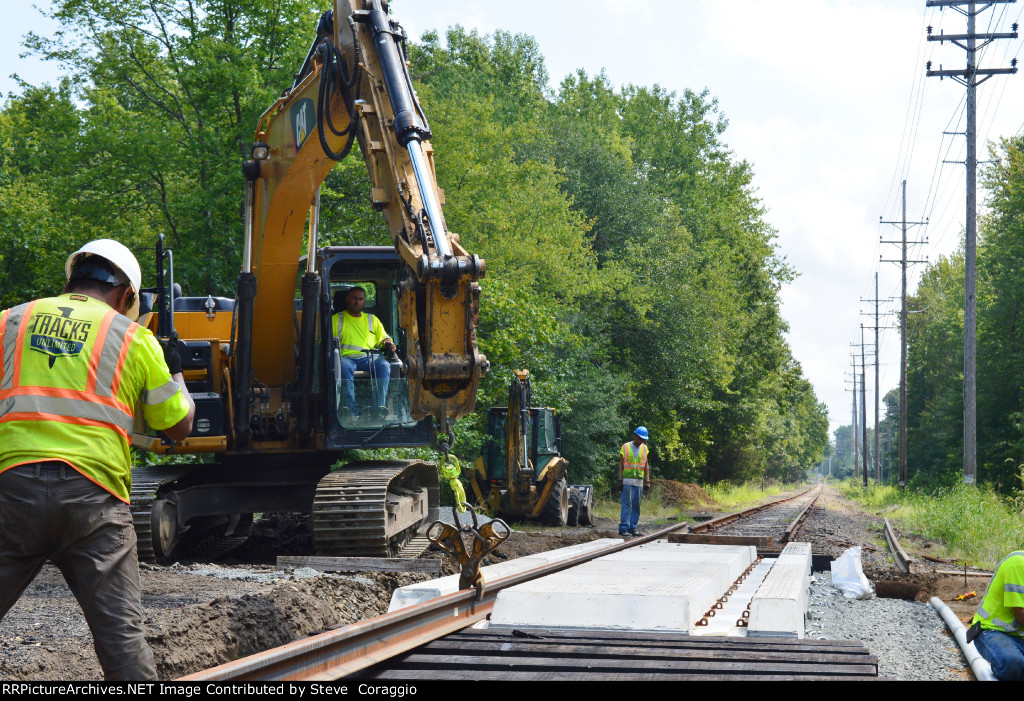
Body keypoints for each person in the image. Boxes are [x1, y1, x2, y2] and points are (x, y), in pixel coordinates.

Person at [0, 239, 195, 680]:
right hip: (95, 499)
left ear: (71, 280)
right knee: (121, 638)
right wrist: (175, 368)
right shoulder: (134, 338)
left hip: (11, 493)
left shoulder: (11, 321)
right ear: (127, 295)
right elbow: (179, 427)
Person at [331, 286, 397, 414]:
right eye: (354, 298)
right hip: (347, 358)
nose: (357, 302)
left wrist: (388, 343)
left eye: (361, 299)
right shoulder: (336, 319)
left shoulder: (372, 319)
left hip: (370, 358)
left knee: (384, 365)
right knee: (343, 366)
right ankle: (351, 409)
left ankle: (379, 407)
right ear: (347, 299)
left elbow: (384, 338)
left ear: (364, 301)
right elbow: (326, 343)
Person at [971, 550, 1024, 680]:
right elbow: (1020, 612)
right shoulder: (1017, 563)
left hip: (1020, 635)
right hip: (993, 632)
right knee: (1012, 663)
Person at [618, 426, 650, 537]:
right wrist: (620, 478)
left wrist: (647, 480)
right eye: (640, 439)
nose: (642, 441)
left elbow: (646, 465)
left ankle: (632, 528)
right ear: (635, 436)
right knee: (627, 504)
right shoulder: (626, 447)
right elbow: (621, 464)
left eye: (644, 440)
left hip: (638, 481)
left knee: (636, 505)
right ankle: (623, 528)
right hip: (627, 480)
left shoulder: (645, 448)